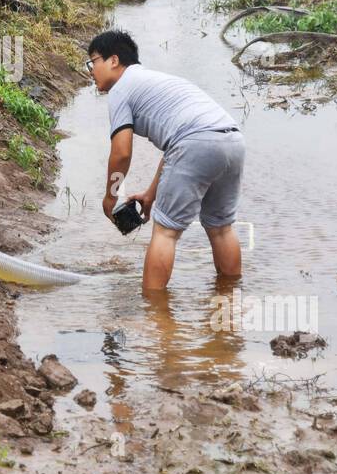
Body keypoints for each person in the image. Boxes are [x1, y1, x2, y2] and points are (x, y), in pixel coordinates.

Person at [87, 29, 245, 290]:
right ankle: (229, 303)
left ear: (113, 60)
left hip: (194, 143)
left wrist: (110, 196)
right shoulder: (157, 80)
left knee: (166, 233)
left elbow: (122, 152)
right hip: (232, 141)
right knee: (221, 228)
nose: (91, 71)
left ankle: (155, 315)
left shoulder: (120, 90)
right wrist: (151, 194)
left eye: (92, 62)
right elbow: (176, 147)